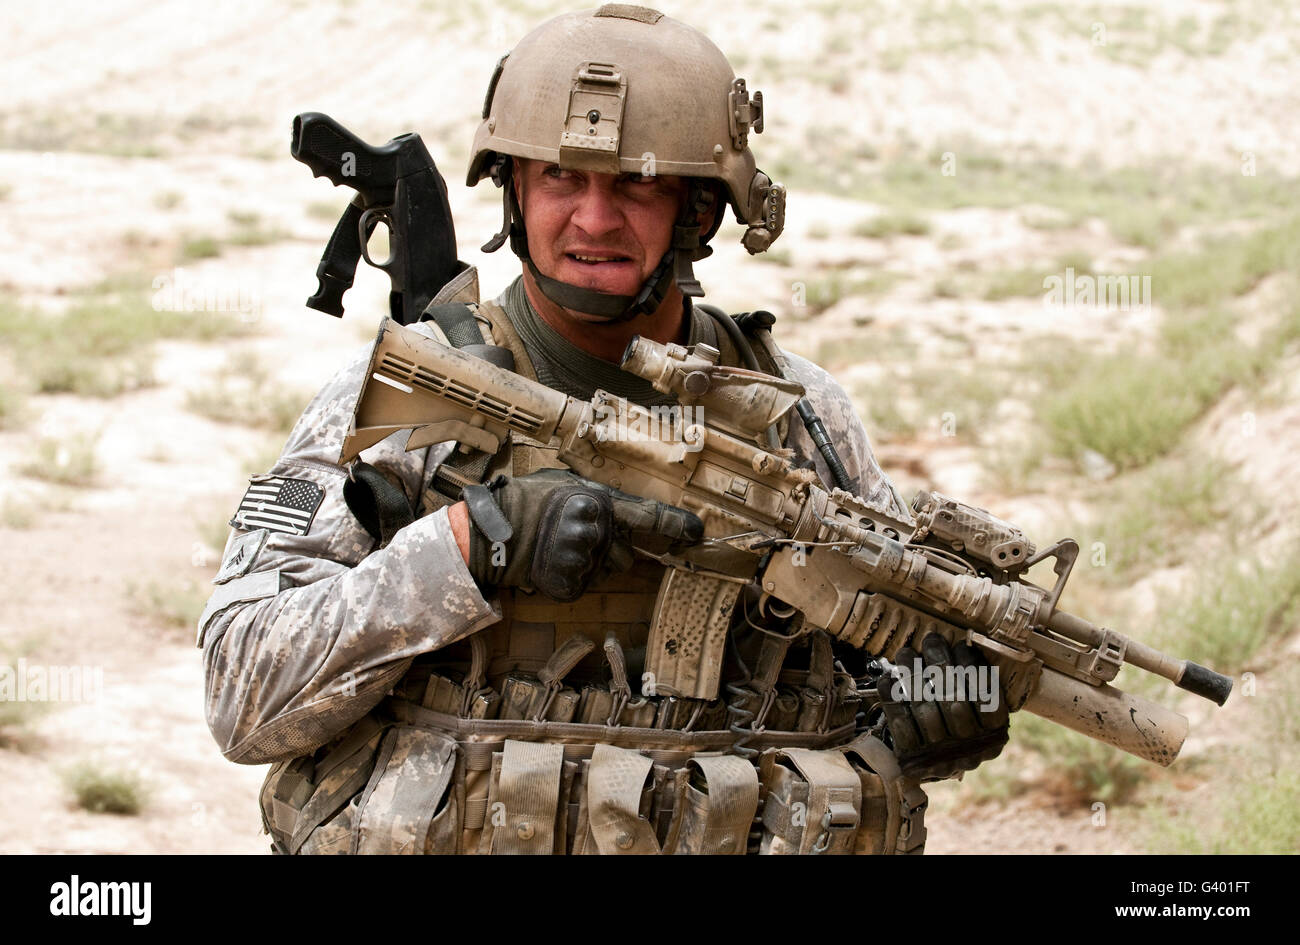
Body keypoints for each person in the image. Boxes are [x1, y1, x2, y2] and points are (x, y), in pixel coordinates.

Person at [198, 4, 1007, 855]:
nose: (592, 219)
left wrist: (935, 704)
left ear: (699, 209)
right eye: (559, 177)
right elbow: (241, 695)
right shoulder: (407, 398)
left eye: (637, 184)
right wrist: (467, 549)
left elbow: (883, 658)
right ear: (512, 188)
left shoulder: (798, 411)